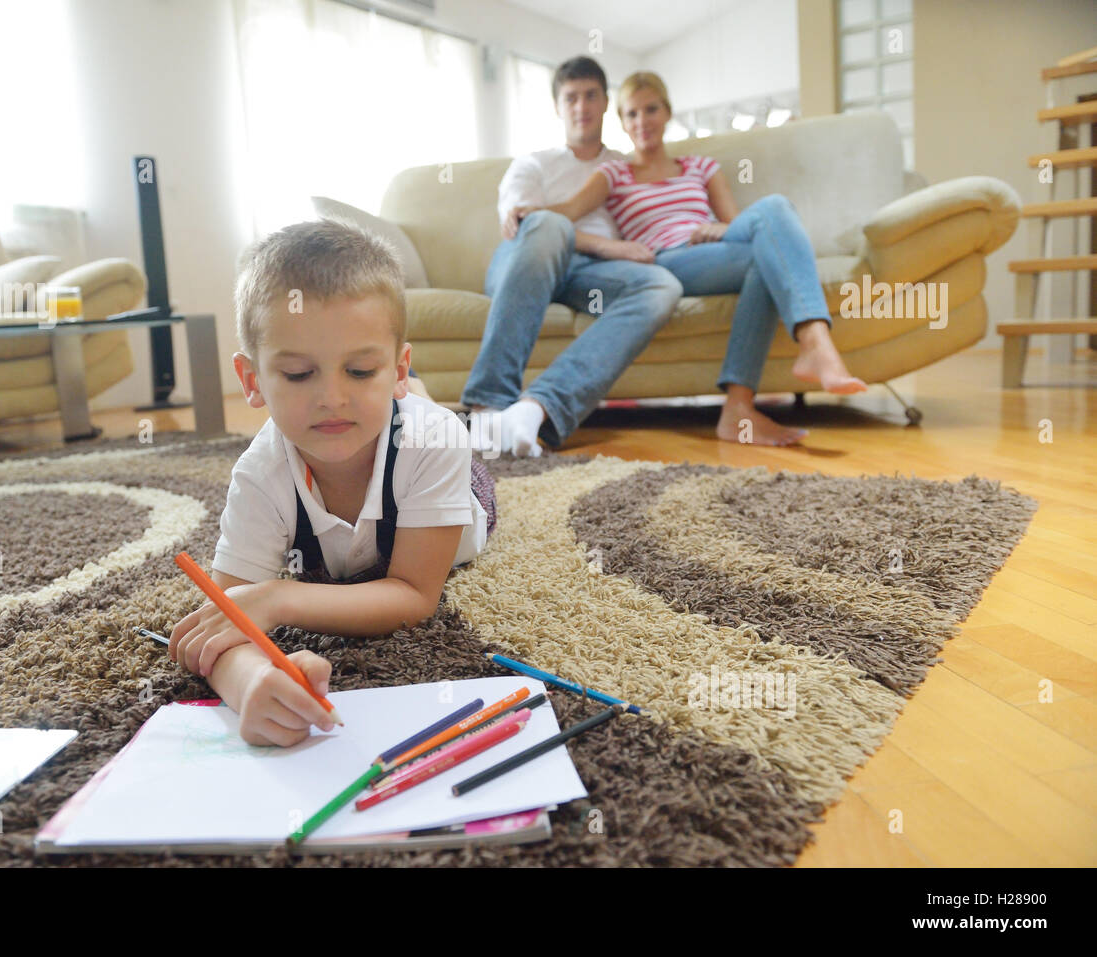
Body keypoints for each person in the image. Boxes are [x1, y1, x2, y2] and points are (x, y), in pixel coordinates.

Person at [168, 219, 497, 746]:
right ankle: (403, 393)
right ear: (252, 381)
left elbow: (413, 595)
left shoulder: (435, 443)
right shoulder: (259, 474)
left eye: (361, 371)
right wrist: (253, 681)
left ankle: (416, 398)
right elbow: (226, 620)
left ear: (395, 367)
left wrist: (278, 598)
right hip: (390, 442)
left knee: (444, 439)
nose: (332, 400)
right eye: (299, 375)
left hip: (447, 493)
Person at [518, 71, 865, 446]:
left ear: (667, 113)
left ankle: (739, 408)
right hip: (669, 260)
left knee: (775, 217)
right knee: (769, 244)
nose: (642, 121)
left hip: (718, 244)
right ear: (623, 123)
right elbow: (568, 210)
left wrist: (719, 227)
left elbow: (740, 225)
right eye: (632, 114)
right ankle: (811, 346)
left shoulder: (701, 167)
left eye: (650, 109)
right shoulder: (614, 173)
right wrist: (526, 212)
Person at [462, 56, 683, 458]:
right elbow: (524, 224)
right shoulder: (533, 164)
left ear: (604, 103)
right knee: (550, 226)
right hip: (527, 264)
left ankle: (537, 408)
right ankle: (487, 405)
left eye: (590, 96)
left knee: (663, 285)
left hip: (590, 277)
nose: (581, 107)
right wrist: (606, 246)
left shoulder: (623, 166)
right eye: (571, 98)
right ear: (558, 107)